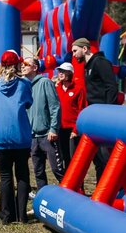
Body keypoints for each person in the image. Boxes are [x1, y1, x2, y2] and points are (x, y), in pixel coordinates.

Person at [0, 50, 32, 224]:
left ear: (1, 65)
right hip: (21, 136)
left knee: (5, 177)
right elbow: (28, 103)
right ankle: (22, 215)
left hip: (1, 137)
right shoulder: (24, 84)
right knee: (22, 175)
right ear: (17, 65)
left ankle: (6, 216)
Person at [71, 37, 119, 177]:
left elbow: (111, 86)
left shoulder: (100, 62)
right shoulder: (87, 66)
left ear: (85, 49)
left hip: (103, 114)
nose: (73, 54)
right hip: (94, 113)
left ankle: (114, 185)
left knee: (104, 155)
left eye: (75, 51)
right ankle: (100, 186)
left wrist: (108, 111)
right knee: (97, 157)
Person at [23, 57, 64, 195]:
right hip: (32, 136)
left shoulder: (45, 82)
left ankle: (70, 194)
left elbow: (55, 106)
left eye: (26, 64)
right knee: (38, 170)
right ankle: (42, 196)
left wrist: (53, 129)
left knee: (57, 169)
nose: (22, 66)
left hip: (47, 134)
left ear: (35, 68)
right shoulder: (25, 85)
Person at [55, 62, 87, 168]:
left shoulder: (78, 89)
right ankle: (66, 178)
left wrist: (76, 129)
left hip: (73, 129)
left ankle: (76, 179)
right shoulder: (56, 88)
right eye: (59, 71)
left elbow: (82, 110)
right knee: (63, 157)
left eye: (63, 71)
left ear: (70, 73)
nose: (60, 73)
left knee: (74, 158)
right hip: (60, 128)